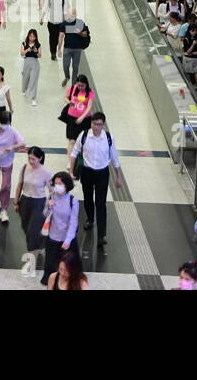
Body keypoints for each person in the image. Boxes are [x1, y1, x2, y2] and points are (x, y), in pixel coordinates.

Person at [69, 112, 122, 247]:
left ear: (103, 125)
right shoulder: (84, 135)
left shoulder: (108, 138)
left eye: (99, 124)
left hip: (102, 174)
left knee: (101, 203)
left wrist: (119, 177)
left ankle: (101, 235)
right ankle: (90, 219)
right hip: (87, 172)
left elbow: (114, 158)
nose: (96, 127)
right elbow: (74, 152)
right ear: (91, 123)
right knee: (87, 199)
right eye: (94, 124)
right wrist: (70, 171)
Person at [14, 145, 51, 274]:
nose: (31, 161)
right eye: (29, 158)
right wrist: (16, 201)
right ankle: (40, 245)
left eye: (34, 159)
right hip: (25, 201)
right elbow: (20, 184)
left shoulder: (46, 172)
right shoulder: (25, 168)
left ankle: (31, 259)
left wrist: (50, 204)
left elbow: (52, 190)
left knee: (33, 230)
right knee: (25, 227)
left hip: (39, 203)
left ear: (40, 158)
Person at [41, 171, 79, 286]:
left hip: (66, 240)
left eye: (60, 184)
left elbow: (73, 223)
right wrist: (49, 206)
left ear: (66, 185)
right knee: (50, 264)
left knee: (67, 267)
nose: (57, 186)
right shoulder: (52, 196)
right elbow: (45, 214)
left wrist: (68, 240)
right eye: (55, 183)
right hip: (52, 237)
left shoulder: (73, 201)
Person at [62, 75, 96, 157]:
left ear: (86, 84)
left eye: (82, 85)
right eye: (78, 85)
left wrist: (82, 117)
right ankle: (70, 161)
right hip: (72, 117)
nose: (80, 87)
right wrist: (69, 102)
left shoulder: (90, 93)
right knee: (72, 141)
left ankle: (84, 158)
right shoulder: (73, 88)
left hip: (85, 119)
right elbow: (65, 97)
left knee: (84, 140)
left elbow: (89, 107)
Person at [20, 29, 42, 106]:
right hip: (26, 63)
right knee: (25, 78)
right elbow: (21, 53)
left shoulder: (38, 44)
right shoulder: (24, 43)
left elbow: (40, 56)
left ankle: (33, 98)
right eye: (30, 36)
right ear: (28, 36)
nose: (32, 38)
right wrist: (27, 50)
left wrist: (36, 51)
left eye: (33, 37)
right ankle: (24, 89)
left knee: (33, 80)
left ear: (36, 37)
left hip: (35, 63)